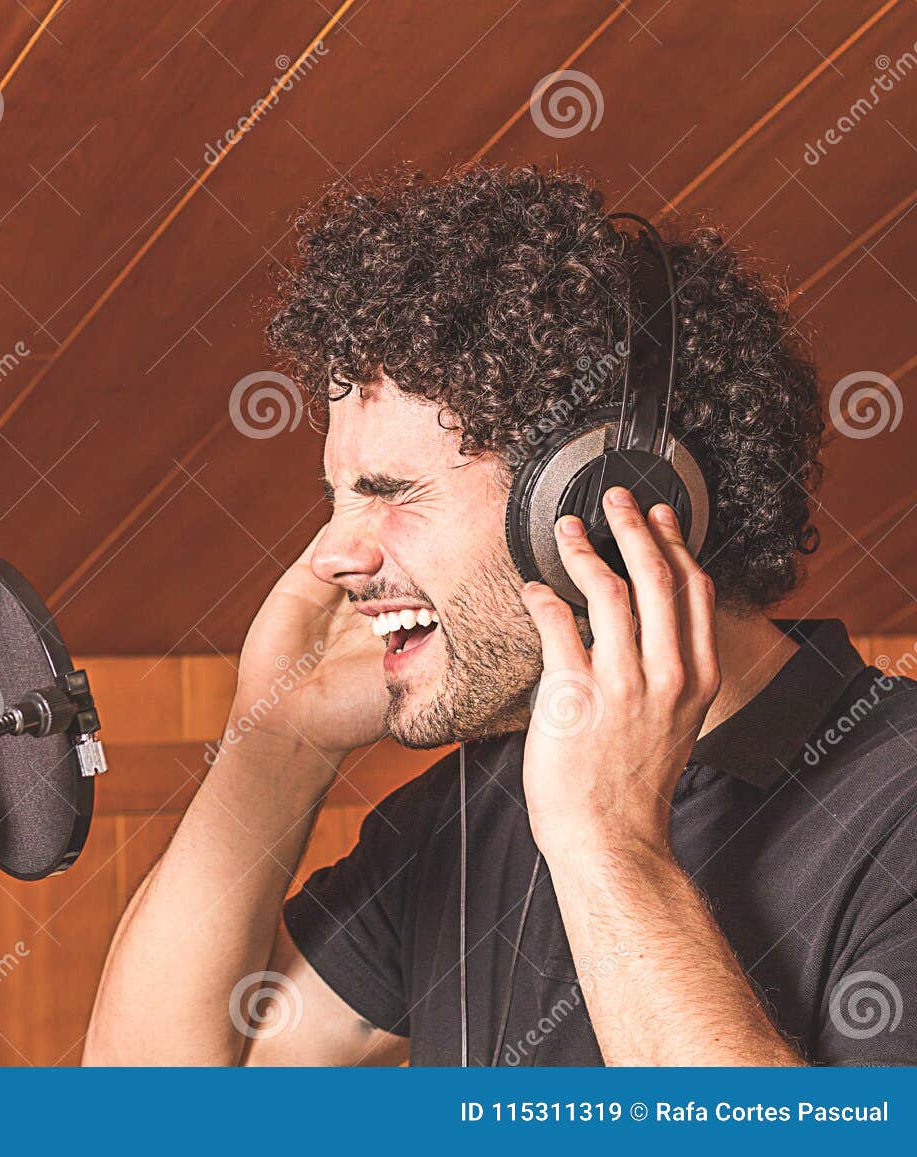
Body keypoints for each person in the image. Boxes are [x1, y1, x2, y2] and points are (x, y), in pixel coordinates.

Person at [84, 164, 917, 1066]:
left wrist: (609, 845)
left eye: (391, 492)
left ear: (601, 501)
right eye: (337, 496)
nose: (333, 555)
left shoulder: (894, 806)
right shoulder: (469, 812)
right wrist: (278, 742)